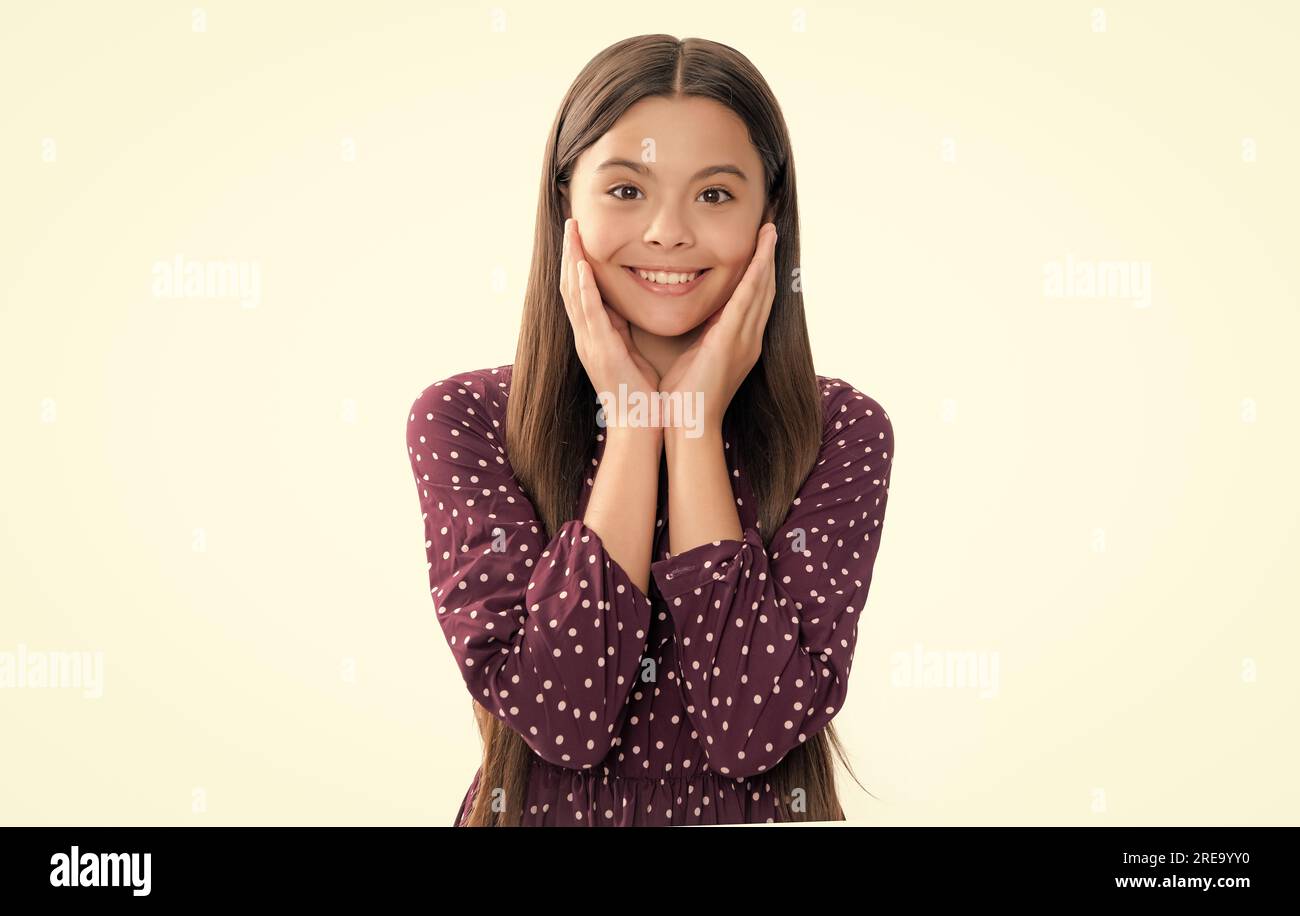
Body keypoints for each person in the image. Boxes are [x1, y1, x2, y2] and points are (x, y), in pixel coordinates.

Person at [406, 34, 895, 826]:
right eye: (628, 190)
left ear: (771, 217)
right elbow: (562, 720)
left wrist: (692, 422)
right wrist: (637, 424)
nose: (669, 232)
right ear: (567, 202)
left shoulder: (840, 430)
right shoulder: (466, 421)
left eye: (714, 195)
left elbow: (752, 732)